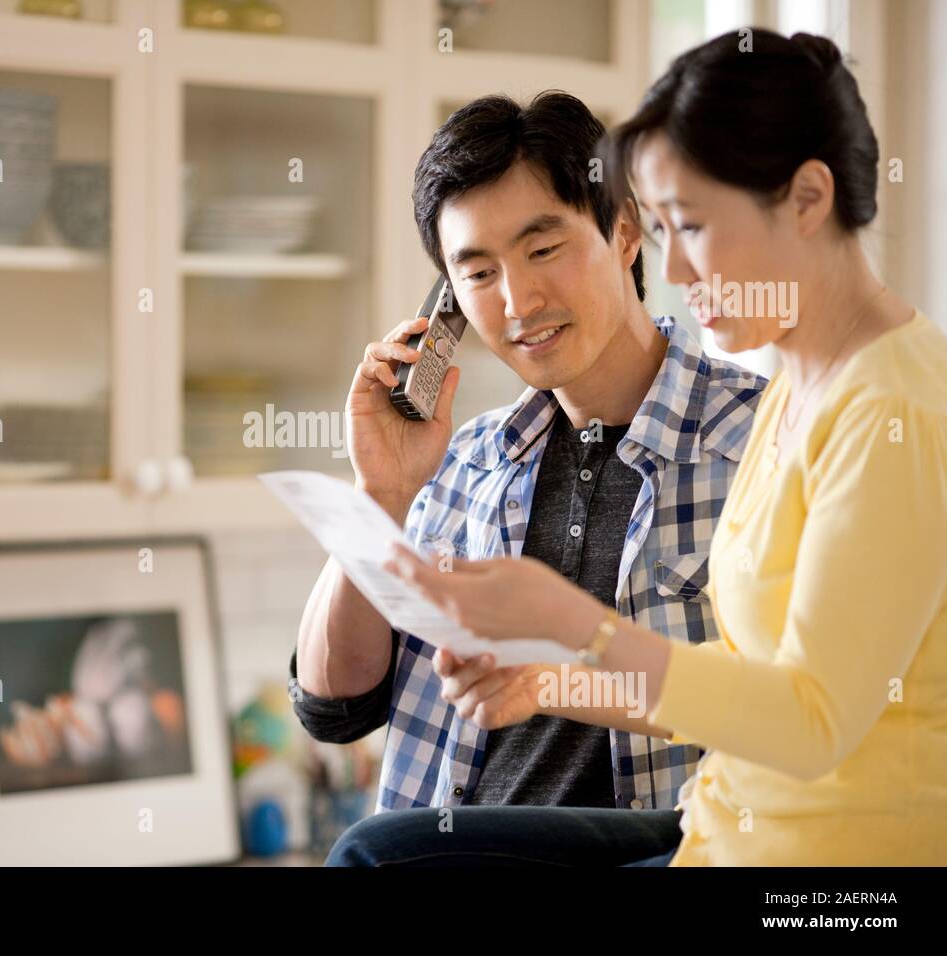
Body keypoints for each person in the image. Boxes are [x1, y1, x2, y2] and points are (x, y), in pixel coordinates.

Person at [370, 28, 947, 866]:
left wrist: (571, 624)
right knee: (382, 851)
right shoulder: (806, 377)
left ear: (808, 199)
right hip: (721, 838)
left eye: (694, 226)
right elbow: (751, 673)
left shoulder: (894, 409)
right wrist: (551, 682)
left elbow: (813, 722)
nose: (672, 263)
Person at [290, 89, 765, 864]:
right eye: (477, 273)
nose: (518, 301)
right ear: (447, 301)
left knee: (371, 854)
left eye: (543, 250)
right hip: (464, 842)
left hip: (675, 844)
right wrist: (382, 495)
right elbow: (333, 706)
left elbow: (804, 704)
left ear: (623, 229)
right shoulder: (464, 461)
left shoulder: (763, 440)